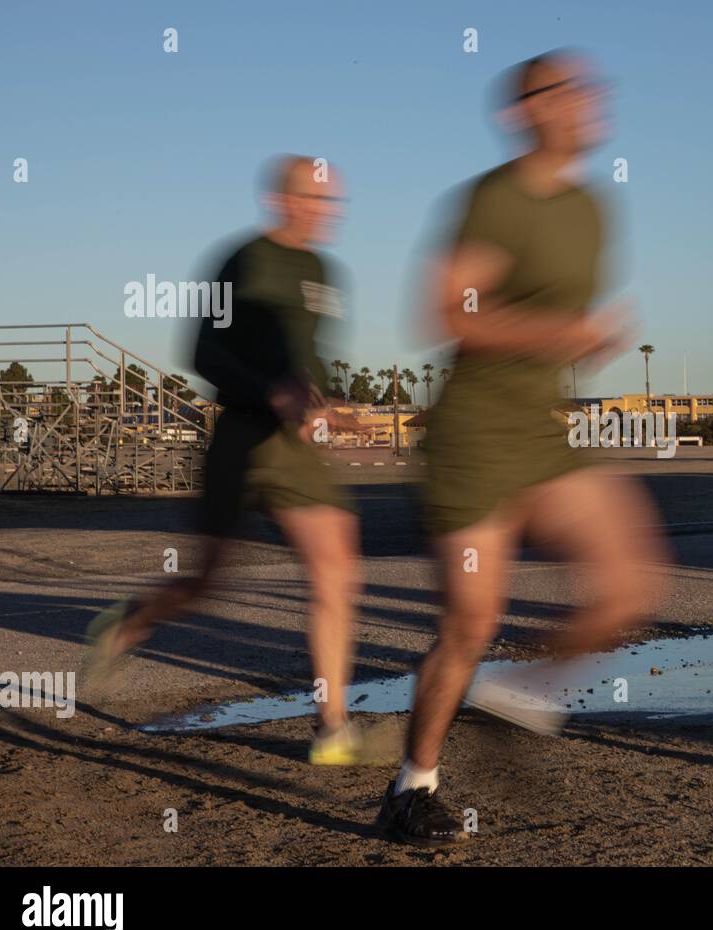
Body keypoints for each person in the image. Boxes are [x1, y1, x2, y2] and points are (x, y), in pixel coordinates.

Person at [375, 50, 668, 847]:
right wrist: (560, 333)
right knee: (469, 622)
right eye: (570, 89)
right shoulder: (493, 201)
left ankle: (516, 690)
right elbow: (447, 311)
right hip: (473, 436)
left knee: (629, 583)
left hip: (540, 434)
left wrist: (574, 342)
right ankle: (412, 787)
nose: (591, 100)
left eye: (593, 87)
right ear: (528, 108)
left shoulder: (592, 208)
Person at [84, 155, 378, 766]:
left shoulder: (324, 267)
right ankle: (131, 621)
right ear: (285, 200)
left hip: (293, 445)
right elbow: (201, 350)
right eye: (318, 200)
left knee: (338, 569)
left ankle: (331, 728)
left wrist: (332, 404)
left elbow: (309, 356)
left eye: (335, 203)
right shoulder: (239, 260)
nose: (329, 214)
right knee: (206, 580)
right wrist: (268, 391)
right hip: (242, 435)